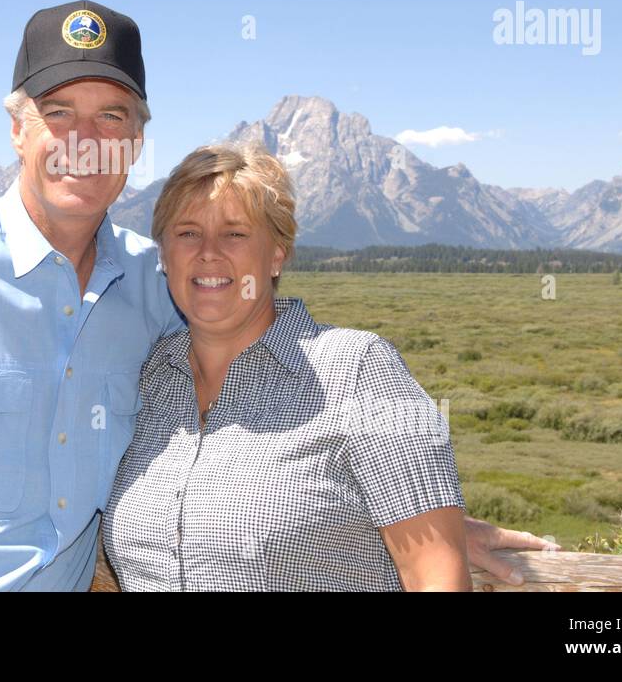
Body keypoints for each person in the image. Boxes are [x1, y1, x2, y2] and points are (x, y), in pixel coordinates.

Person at [0, 0, 555, 591]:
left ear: (136, 143)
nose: (85, 140)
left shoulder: (157, 289)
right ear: (16, 128)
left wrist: (420, 524)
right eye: (60, 114)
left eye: (113, 118)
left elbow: (264, 365)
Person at [104, 143, 472, 590]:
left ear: (277, 254)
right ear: (163, 254)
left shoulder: (359, 370)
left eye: (235, 234)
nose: (208, 253)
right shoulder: (150, 380)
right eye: (187, 233)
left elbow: (435, 573)